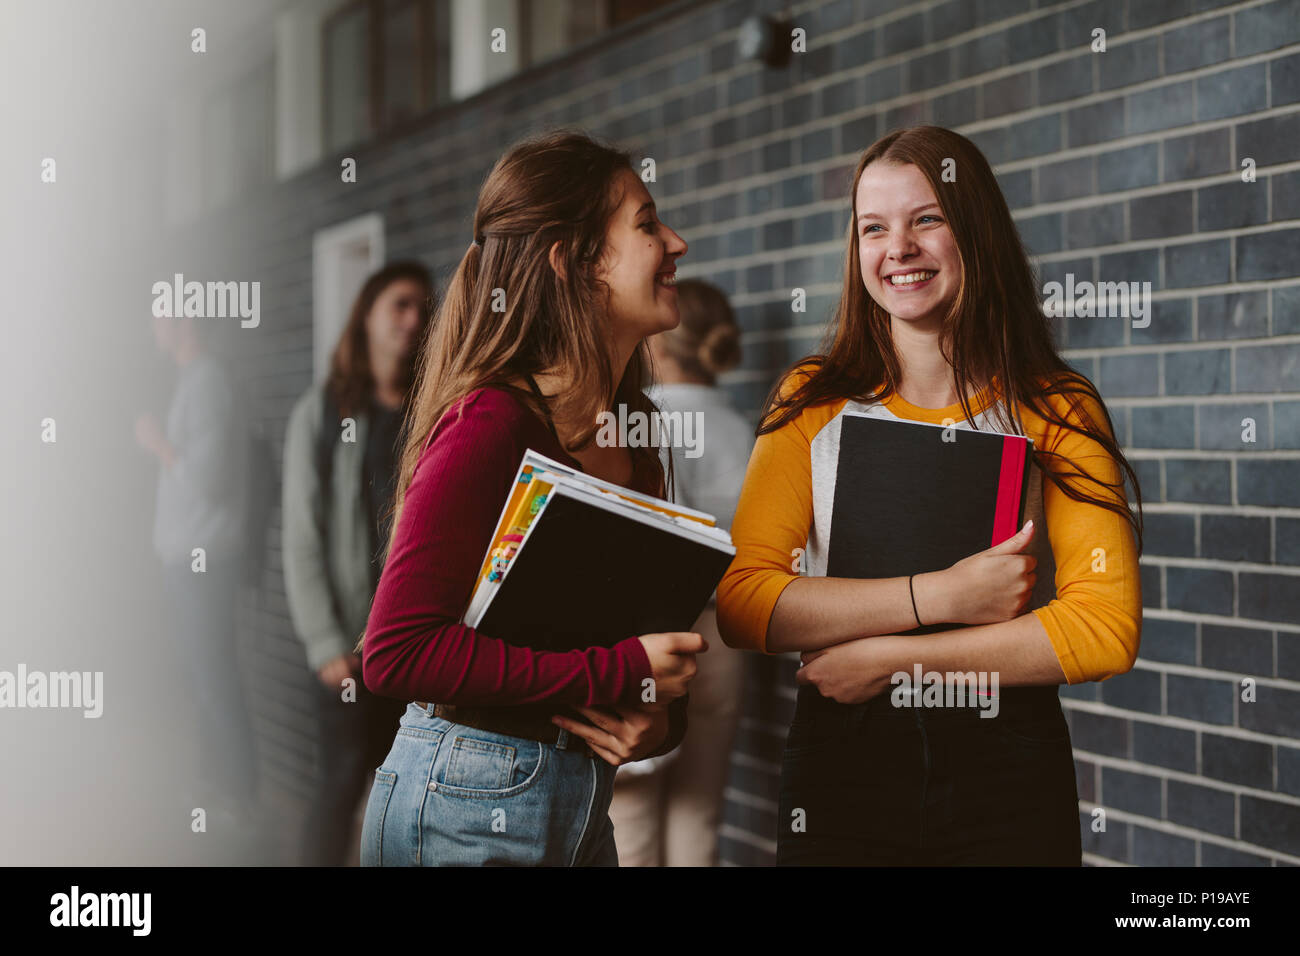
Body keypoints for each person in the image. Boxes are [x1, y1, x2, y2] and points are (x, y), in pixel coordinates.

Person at [717, 125, 1145, 866]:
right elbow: (747, 603)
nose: (898, 249)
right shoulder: (814, 399)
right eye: (873, 228)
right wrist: (941, 595)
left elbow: (1104, 628)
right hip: (844, 768)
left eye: (927, 219)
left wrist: (892, 659)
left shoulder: (1056, 405)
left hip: (1006, 769)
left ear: (973, 231)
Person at [357, 130, 705, 867]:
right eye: (646, 224)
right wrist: (619, 673)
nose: (675, 242)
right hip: (460, 800)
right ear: (573, 262)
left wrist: (659, 721)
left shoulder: (634, 436)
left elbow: (623, 651)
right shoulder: (492, 423)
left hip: (579, 801)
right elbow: (395, 652)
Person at [281, 260, 433, 866]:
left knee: (403, 797)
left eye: (423, 307)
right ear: (366, 313)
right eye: (399, 303)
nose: (414, 318)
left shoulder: (434, 410)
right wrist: (323, 644)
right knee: (342, 784)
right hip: (347, 646)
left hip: (415, 643)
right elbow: (301, 534)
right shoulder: (321, 414)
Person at [608, 279, 752, 866]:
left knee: (633, 816)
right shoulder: (747, 428)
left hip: (663, 639)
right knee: (700, 809)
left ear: (659, 345)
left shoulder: (646, 422)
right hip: (731, 636)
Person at [136, 312, 258, 825]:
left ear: (183, 319)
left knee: (213, 675)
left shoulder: (207, 381)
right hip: (190, 558)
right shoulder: (197, 379)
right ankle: (217, 789)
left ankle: (236, 797)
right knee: (206, 674)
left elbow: (207, 478)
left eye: (159, 312)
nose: (152, 325)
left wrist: (158, 443)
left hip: (202, 560)